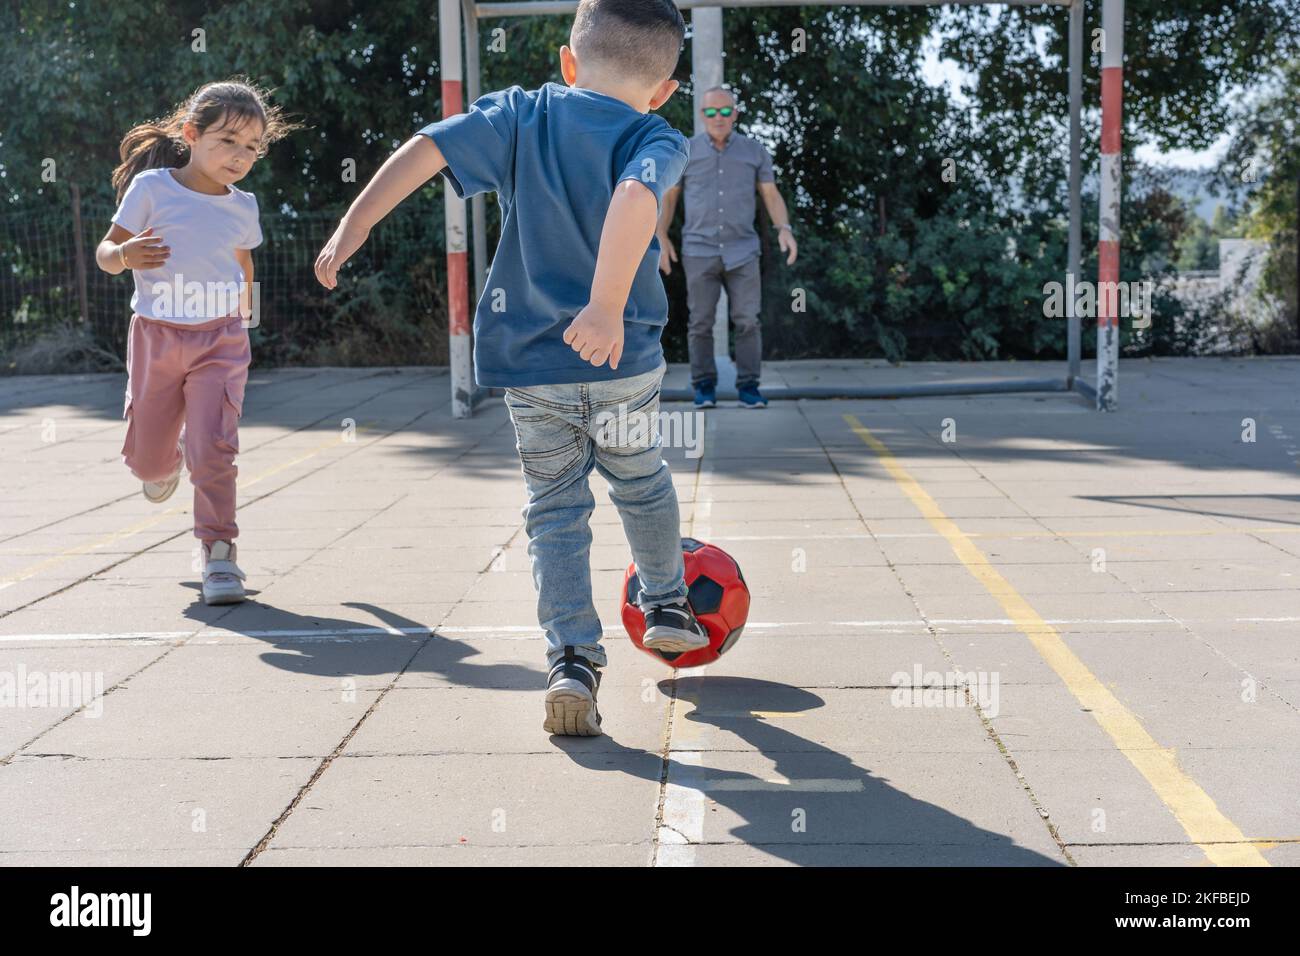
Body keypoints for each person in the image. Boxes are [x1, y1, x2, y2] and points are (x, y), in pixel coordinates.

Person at [314, 0, 710, 736]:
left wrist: (355, 223)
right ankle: (664, 601)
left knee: (555, 509)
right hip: (621, 359)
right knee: (640, 478)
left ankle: (572, 661)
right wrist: (604, 307)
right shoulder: (655, 134)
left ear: (568, 61)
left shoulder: (521, 113)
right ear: (663, 90)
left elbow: (427, 147)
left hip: (531, 365)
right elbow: (634, 197)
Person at [96, 79, 295, 606]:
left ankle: (219, 554)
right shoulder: (152, 189)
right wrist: (124, 257)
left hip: (221, 340)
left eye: (252, 146)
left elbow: (243, 262)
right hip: (156, 337)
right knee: (147, 465)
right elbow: (105, 252)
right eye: (227, 141)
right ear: (190, 134)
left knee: (215, 452)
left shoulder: (244, 205)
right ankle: (168, 457)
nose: (240, 155)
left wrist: (246, 314)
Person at [656, 86, 798, 409]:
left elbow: (770, 194)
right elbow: (669, 197)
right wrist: (661, 235)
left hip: (743, 251)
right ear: (702, 115)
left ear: (734, 114)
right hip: (698, 250)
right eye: (711, 112)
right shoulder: (686, 150)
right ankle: (704, 387)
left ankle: (749, 387)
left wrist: (784, 229)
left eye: (724, 111)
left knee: (748, 320)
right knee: (700, 322)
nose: (717, 117)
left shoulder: (754, 151)